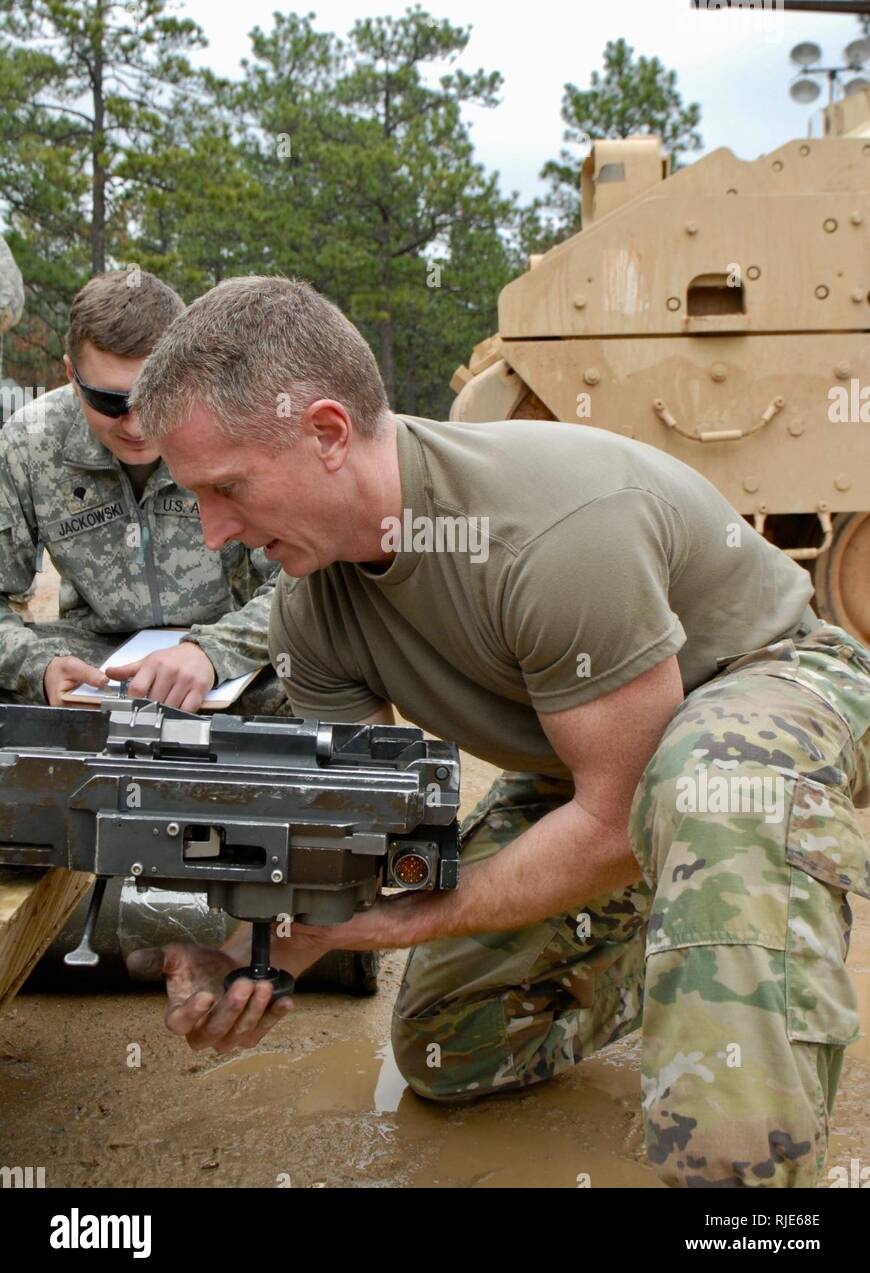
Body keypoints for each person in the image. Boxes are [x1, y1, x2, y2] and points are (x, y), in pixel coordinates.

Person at [127, 275, 870, 1189]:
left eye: (227, 488)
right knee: (450, 1047)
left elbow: (613, 818)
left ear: (325, 433)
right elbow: (366, 845)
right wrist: (265, 955)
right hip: (596, 763)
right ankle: (670, 940)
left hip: (763, 689)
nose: (211, 533)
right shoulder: (311, 611)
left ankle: (749, 1207)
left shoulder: (548, 530)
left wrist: (418, 918)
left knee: (703, 793)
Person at [0, 270, 287, 714]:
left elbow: (302, 584)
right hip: (94, 662)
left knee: (323, 679)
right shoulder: (30, 441)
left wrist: (210, 652)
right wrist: (39, 666)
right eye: (109, 401)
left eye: (155, 397)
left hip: (233, 657)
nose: (135, 426)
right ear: (71, 375)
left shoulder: (239, 429)